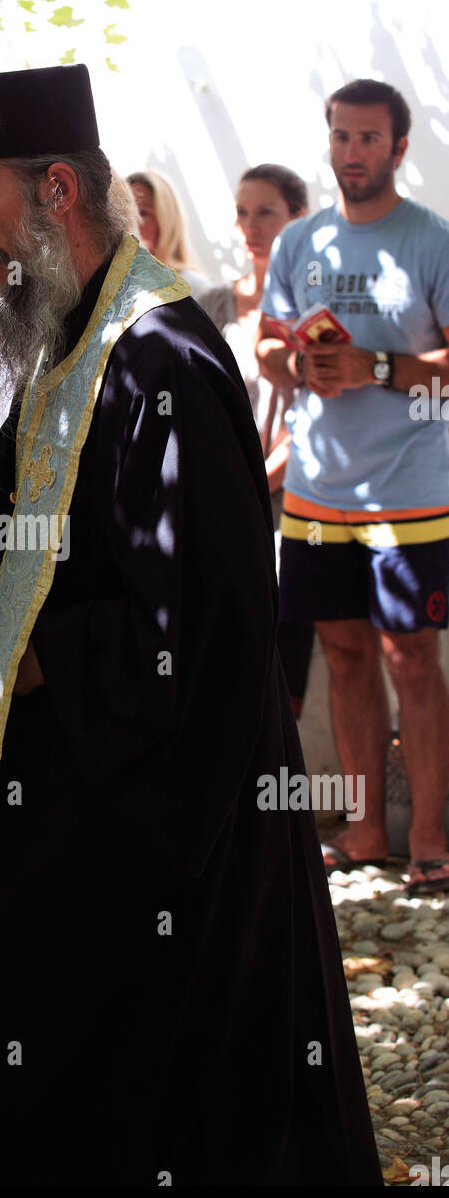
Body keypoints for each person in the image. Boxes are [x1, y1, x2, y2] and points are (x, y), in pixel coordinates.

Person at [0, 65, 381, 1186]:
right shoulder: (65, 341)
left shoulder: (163, 361)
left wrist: (40, 656)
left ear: (54, 191)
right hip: (71, 802)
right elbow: (17, 545)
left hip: (169, 832)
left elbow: (199, 630)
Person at [256, 78, 449, 894]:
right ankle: (367, 828)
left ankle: (433, 840)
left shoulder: (431, 240)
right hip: (316, 493)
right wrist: (298, 363)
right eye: (342, 137)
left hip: (412, 490)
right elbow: (267, 345)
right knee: (344, 654)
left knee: (412, 661)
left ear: (398, 148)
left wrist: (377, 367)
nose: (353, 153)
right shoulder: (303, 243)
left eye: (369, 139)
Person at [202, 164, 314, 715]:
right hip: (222, 504)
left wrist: (257, 481)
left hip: (294, 506)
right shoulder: (213, 305)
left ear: (300, 218)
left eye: (266, 211)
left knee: (283, 674)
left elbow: (316, 415)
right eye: (243, 212)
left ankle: (282, 797)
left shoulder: (317, 308)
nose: (250, 225)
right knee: (220, 665)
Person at [126, 169, 211, 300]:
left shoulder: (194, 288)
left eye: (143, 213)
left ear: (166, 220)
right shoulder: (117, 292)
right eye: (126, 214)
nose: (132, 224)